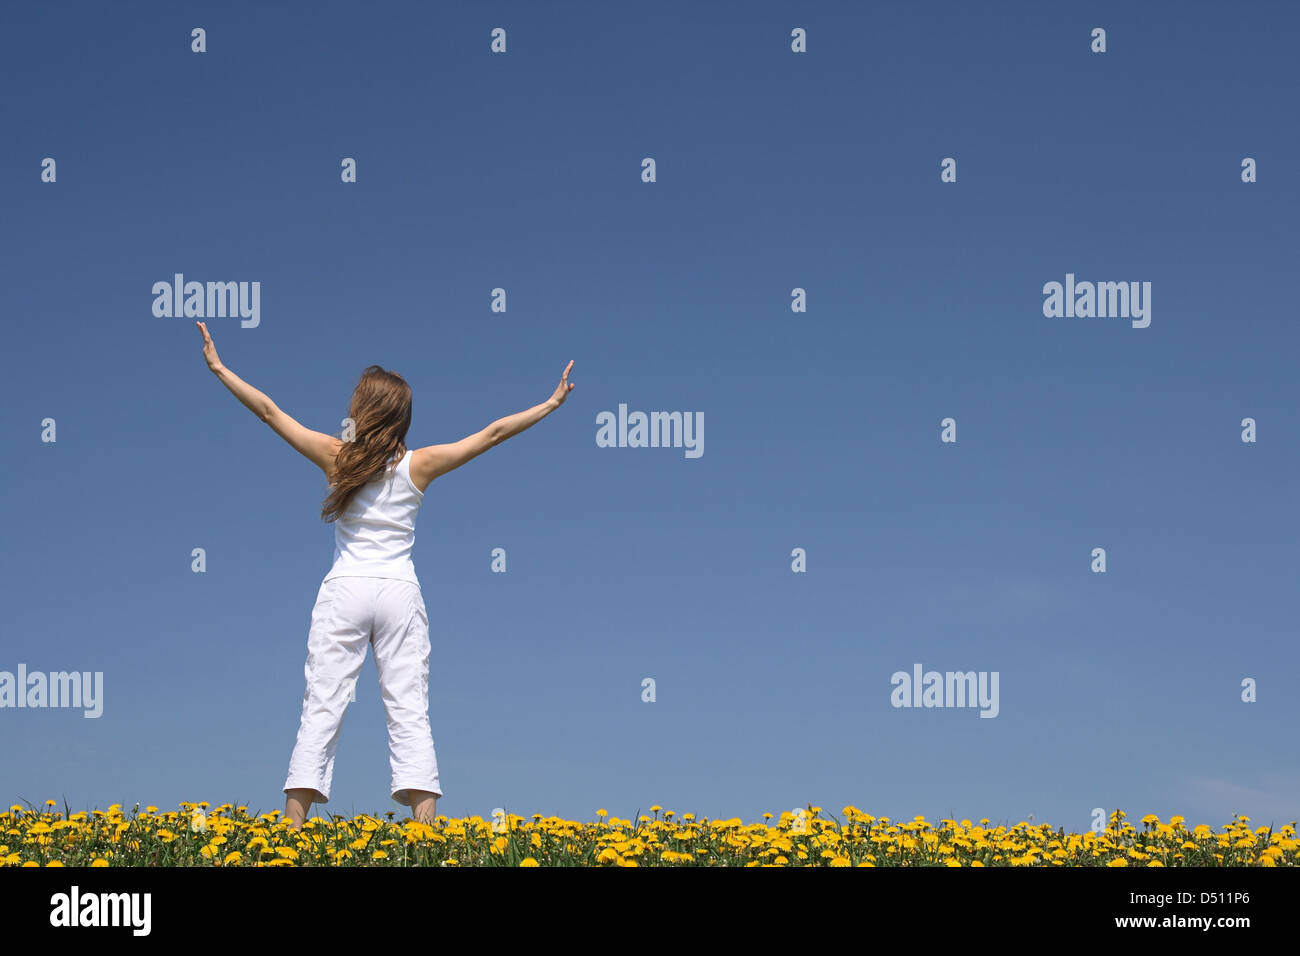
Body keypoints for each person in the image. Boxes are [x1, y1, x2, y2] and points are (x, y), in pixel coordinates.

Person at [194, 320, 574, 828]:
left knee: (322, 704)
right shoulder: (420, 465)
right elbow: (493, 432)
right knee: (409, 707)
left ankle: (292, 830)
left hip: (345, 590)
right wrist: (549, 405)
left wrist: (220, 368)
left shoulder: (336, 457)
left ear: (361, 411)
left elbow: (269, 411)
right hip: (398, 592)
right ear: (402, 418)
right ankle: (426, 832)